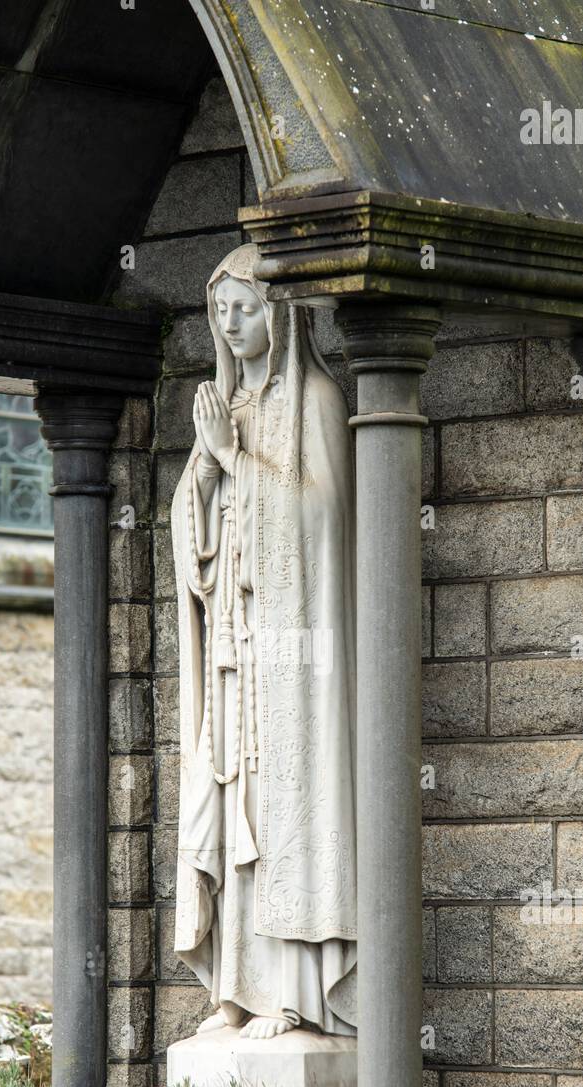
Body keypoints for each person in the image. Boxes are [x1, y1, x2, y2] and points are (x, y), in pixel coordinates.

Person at [171, 243, 357, 1040]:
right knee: (231, 799)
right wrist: (208, 478)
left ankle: (298, 994)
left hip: (294, 656)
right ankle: (235, 991)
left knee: (289, 805)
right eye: (222, 311)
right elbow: (192, 541)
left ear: (281, 314)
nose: (232, 323)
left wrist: (231, 461)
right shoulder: (227, 408)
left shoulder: (314, 398)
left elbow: (322, 518)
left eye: (246, 307)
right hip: (234, 649)